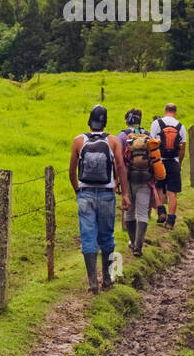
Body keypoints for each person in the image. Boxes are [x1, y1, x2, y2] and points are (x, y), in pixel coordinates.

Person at [69, 104, 130, 292]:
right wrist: (125, 193)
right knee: (107, 236)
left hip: (85, 193)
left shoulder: (78, 141)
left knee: (88, 237)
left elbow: (72, 171)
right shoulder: (113, 141)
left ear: (89, 121)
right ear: (105, 122)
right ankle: (107, 278)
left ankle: (92, 282)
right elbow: (120, 167)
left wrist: (77, 189)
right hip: (107, 194)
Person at [116, 108, 165, 258]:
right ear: (140, 120)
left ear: (127, 120)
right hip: (146, 179)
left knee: (129, 212)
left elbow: (118, 160)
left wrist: (118, 181)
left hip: (128, 180)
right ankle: (138, 246)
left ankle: (132, 241)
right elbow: (155, 158)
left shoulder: (122, 136)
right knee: (143, 213)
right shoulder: (148, 136)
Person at [149, 103, 186, 228]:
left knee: (158, 187)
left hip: (159, 161)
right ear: (175, 112)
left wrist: (152, 161)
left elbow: (151, 143)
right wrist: (179, 163)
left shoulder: (156, 124)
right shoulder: (181, 126)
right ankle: (170, 220)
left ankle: (161, 211)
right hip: (173, 162)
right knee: (172, 193)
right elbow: (182, 149)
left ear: (165, 111)